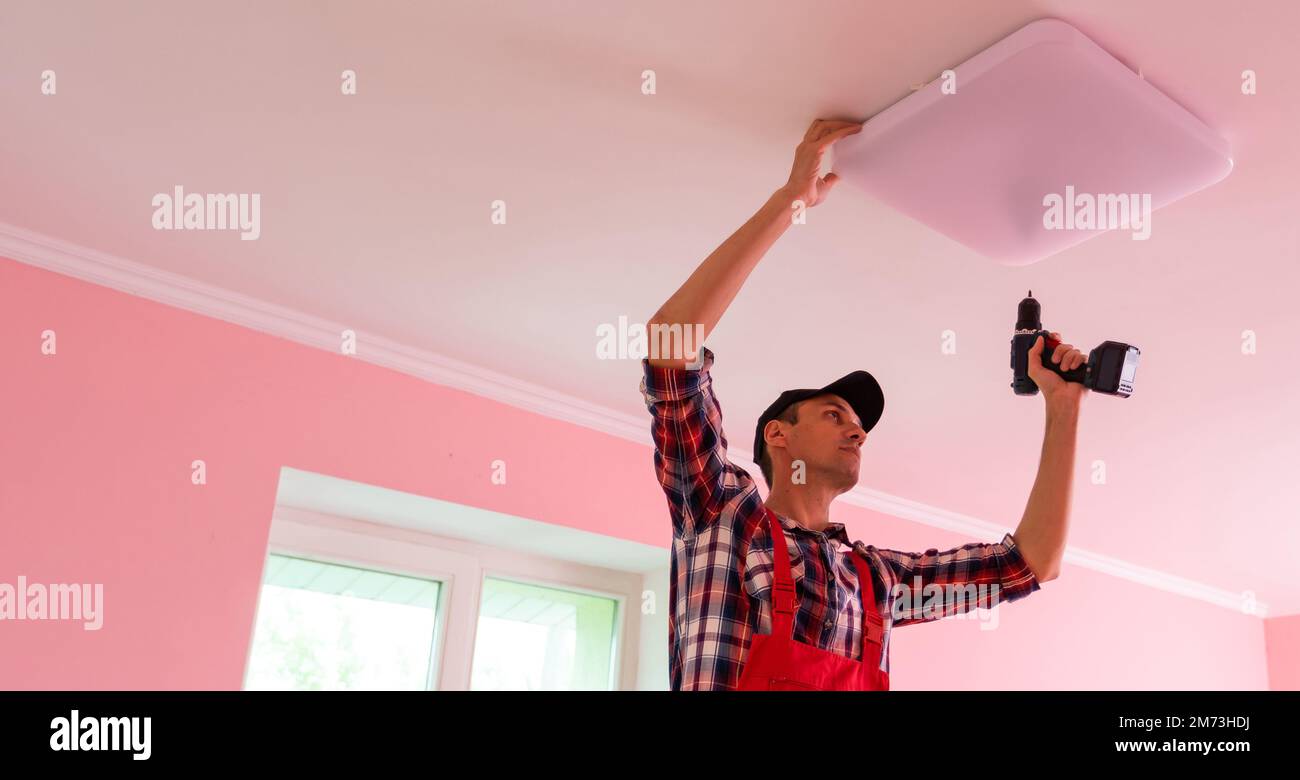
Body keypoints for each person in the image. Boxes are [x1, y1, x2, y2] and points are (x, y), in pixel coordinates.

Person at [640, 118, 1082, 691]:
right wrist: (789, 202)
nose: (858, 433)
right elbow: (670, 345)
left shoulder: (877, 581)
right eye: (834, 415)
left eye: (858, 425)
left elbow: (1030, 564)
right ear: (778, 435)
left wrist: (1063, 405)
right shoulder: (721, 514)